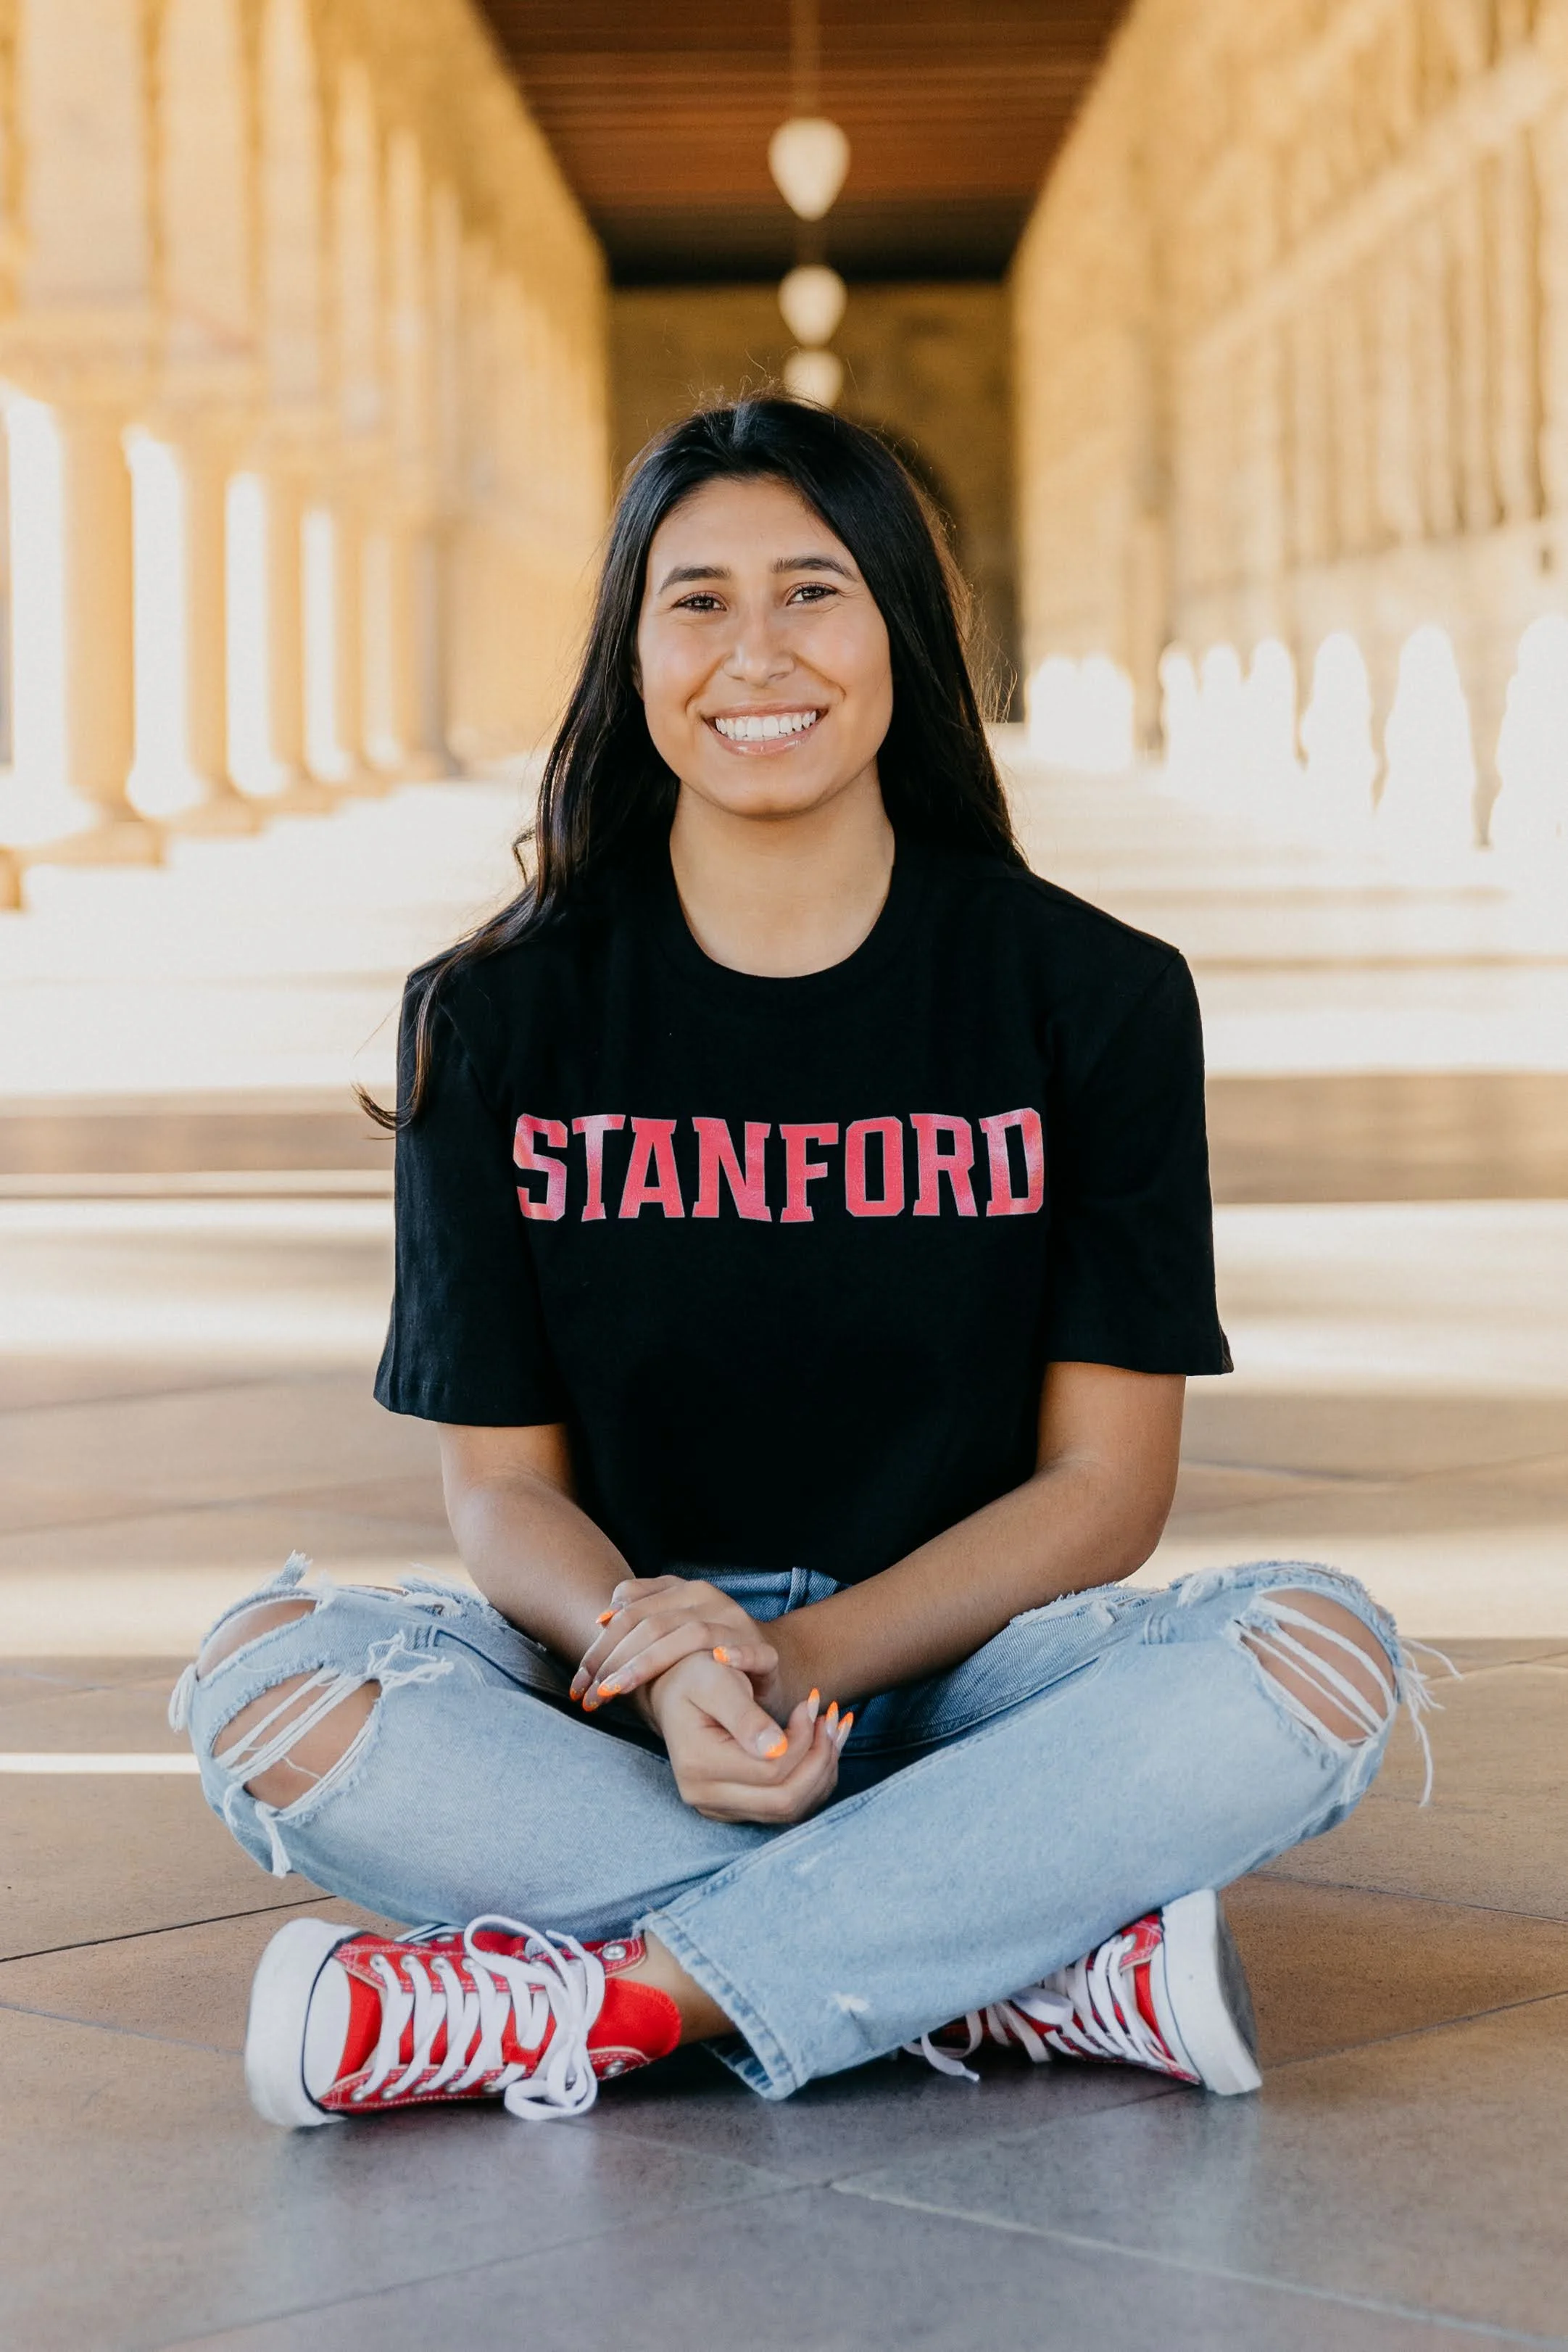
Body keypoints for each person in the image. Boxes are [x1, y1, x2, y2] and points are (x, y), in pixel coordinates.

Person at [173, 397, 1424, 2129]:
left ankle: (627, 1993)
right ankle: (1000, 1956)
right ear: (631, 649)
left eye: (811, 591)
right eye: (695, 600)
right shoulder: (499, 1014)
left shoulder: (1094, 998)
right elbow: (498, 1498)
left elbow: (1103, 1488)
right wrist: (673, 1658)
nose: (754, 653)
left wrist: (812, 1660)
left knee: (1319, 1658)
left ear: (901, 624)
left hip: (964, 1670)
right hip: (620, 1684)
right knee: (265, 1683)